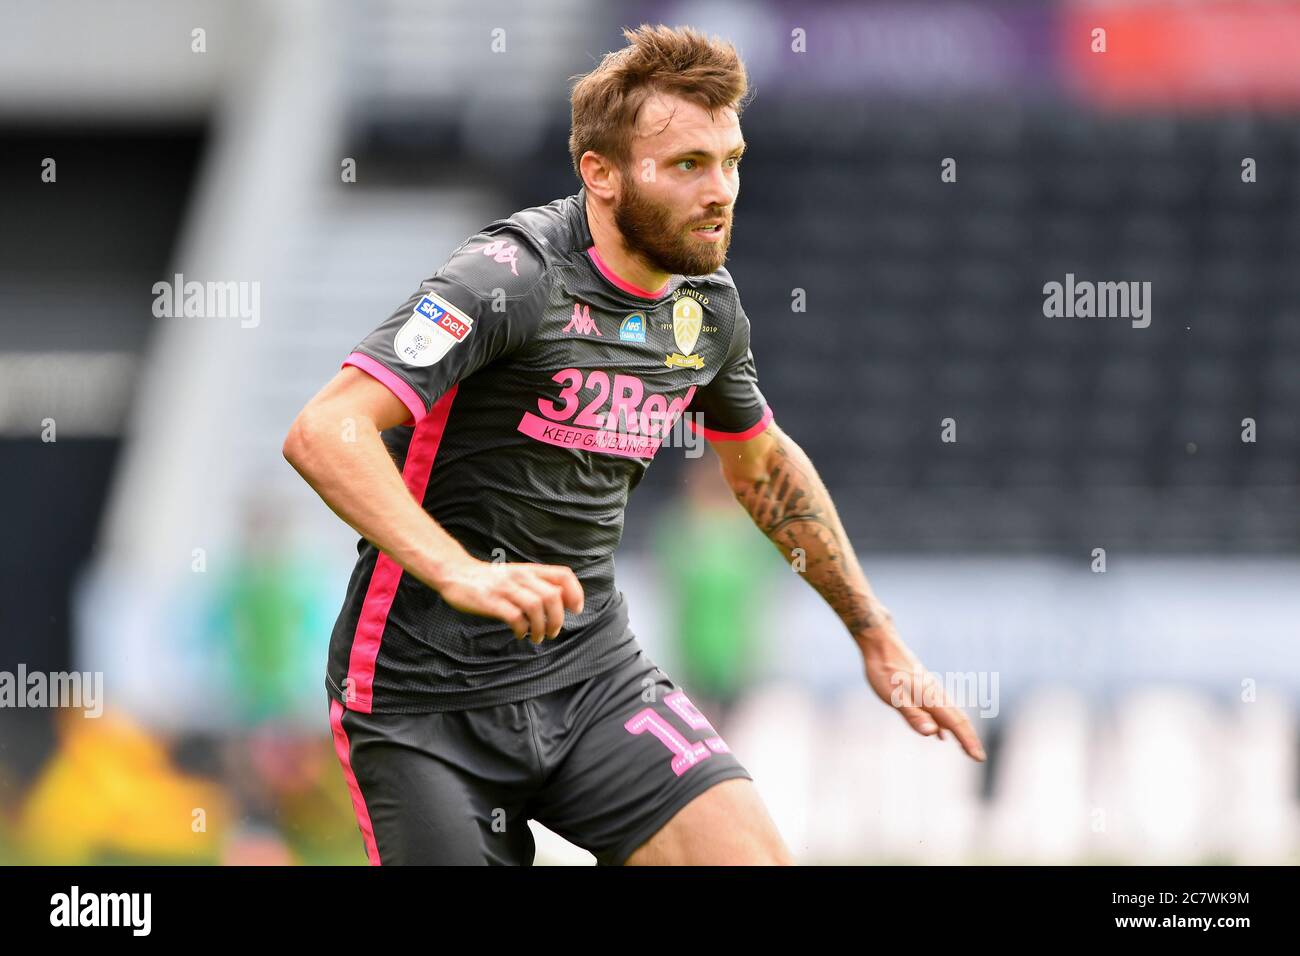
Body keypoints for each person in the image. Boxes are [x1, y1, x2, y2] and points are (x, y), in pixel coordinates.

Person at [283, 23, 984, 866]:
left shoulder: (706, 308)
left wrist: (875, 635)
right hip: (421, 701)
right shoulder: (507, 280)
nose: (721, 189)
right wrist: (462, 570)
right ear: (601, 174)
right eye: (688, 164)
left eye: (731, 160)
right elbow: (325, 429)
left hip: (590, 675)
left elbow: (760, 465)